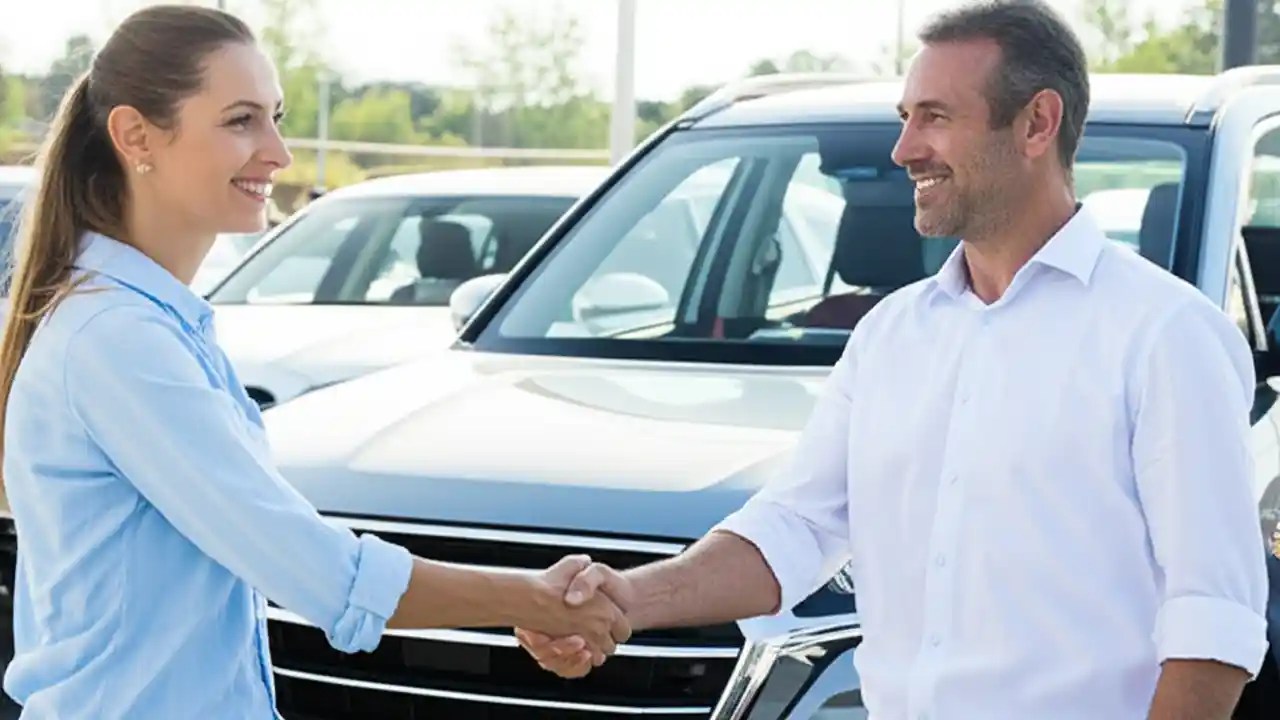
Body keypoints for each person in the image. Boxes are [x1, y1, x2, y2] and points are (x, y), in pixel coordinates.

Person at [516, 1, 1271, 717]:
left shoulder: (1167, 335)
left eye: (935, 118)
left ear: (1038, 122)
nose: (904, 149)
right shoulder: (889, 337)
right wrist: (628, 599)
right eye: (907, 118)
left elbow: (1213, 622)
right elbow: (795, 529)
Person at [0, 6, 627, 718]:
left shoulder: (146, 324)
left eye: (276, 116)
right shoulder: (116, 339)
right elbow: (311, 567)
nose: (278, 152)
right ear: (136, 135)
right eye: (241, 121)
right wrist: (531, 598)